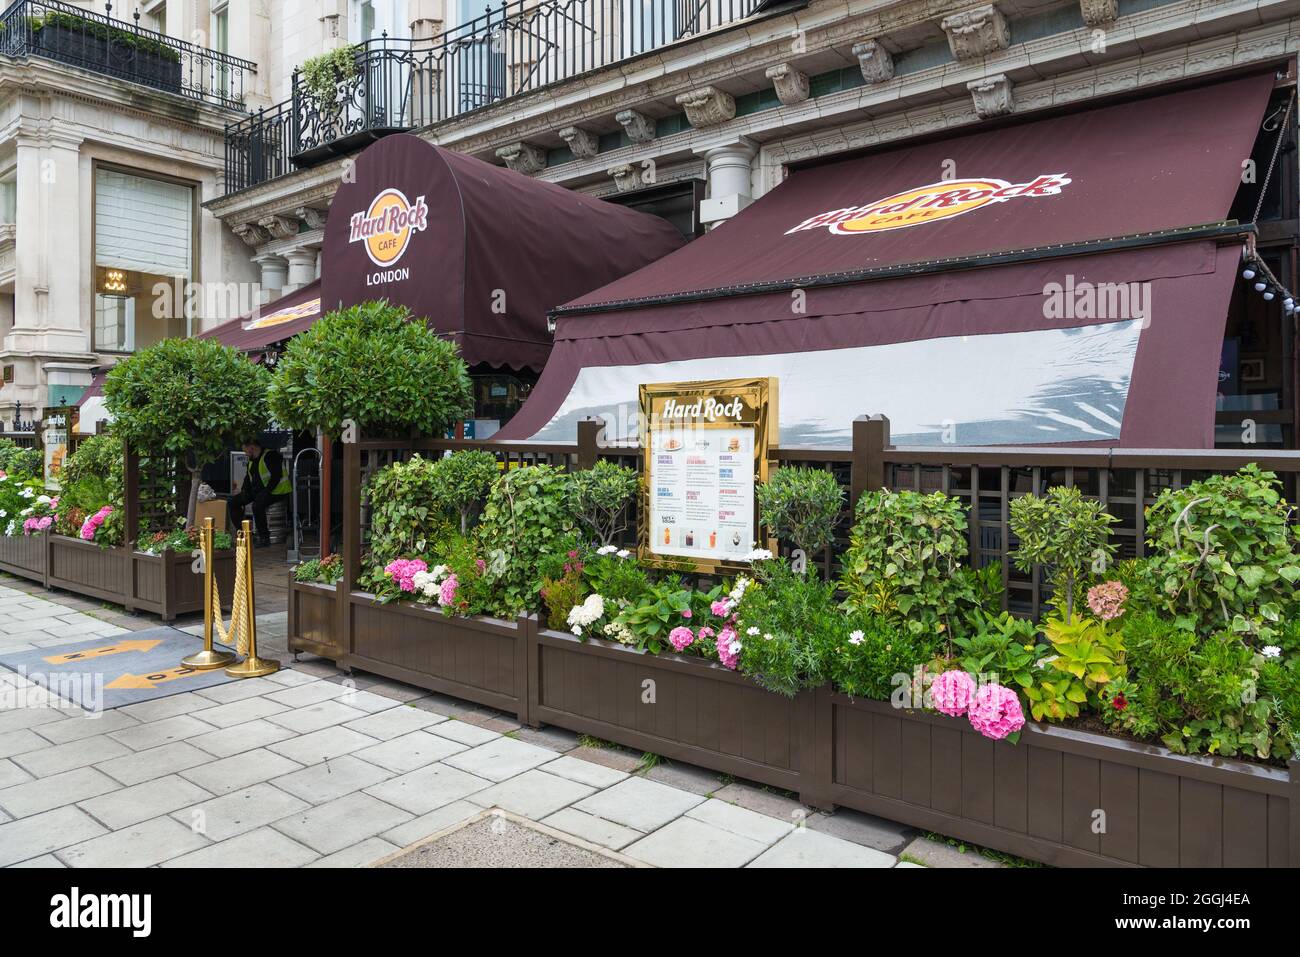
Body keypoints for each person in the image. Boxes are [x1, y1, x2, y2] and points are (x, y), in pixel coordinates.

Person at [227, 439, 291, 547]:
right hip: (259, 490)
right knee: (233, 502)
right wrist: (243, 491)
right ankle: (243, 532)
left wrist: (265, 492)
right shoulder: (252, 460)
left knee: (257, 505)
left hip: (277, 490)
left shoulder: (271, 456)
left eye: (246, 451)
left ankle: (264, 538)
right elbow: (248, 477)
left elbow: (276, 477)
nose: (246, 454)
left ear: (252, 448)